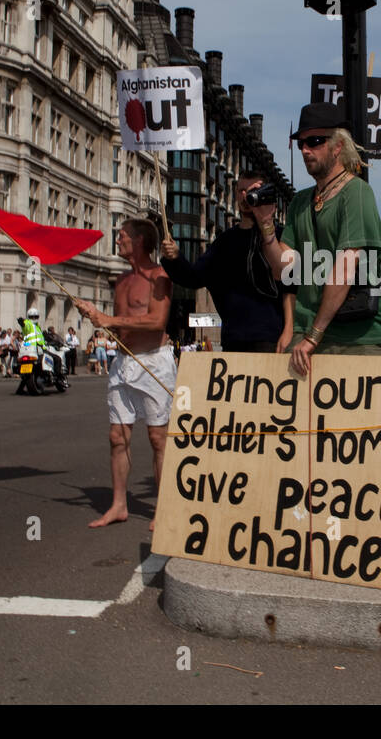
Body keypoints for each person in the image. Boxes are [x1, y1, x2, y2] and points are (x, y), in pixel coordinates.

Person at [255, 102, 381, 377]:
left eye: (315, 141)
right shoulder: (299, 201)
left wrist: (312, 336)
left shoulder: (356, 192)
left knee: (361, 421)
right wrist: (265, 225)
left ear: (337, 146)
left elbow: (345, 269)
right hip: (314, 332)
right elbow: (283, 269)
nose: (305, 150)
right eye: (301, 144)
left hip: (360, 335)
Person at [75, 218, 174, 530]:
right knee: (117, 436)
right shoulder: (120, 280)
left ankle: (164, 508)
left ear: (140, 241)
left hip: (154, 361)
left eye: (122, 237)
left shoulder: (161, 276)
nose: (117, 241)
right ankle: (118, 505)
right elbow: (115, 321)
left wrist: (109, 319)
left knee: (158, 437)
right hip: (123, 362)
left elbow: (157, 321)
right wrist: (93, 314)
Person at [159, 170, 292, 353]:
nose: (247, 196)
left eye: (254, 190)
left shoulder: (281, 236)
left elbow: (291, 284)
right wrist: (174, 257)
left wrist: (289, 329)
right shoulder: (224, 242)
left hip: (272, 339)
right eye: (241, 191)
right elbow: (194, 277)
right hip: (234, 338)